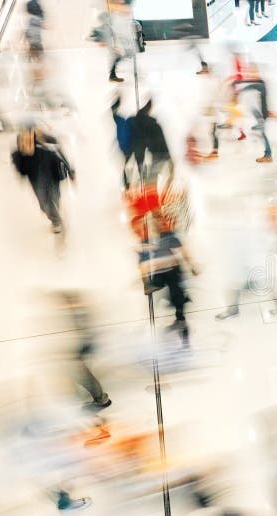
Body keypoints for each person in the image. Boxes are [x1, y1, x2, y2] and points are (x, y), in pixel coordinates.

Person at [139, 212, 200, 347]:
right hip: (159, 275)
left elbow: (184, 252)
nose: (158, 225)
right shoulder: (146, 241)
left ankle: (182, 330)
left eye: (159, 222)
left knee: (178, 301)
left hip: (173, 272)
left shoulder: (168, 236)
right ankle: (154, 329)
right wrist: (146, 283)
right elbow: (142, 264)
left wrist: (192, 267)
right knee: (159, 300)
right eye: (154, 222)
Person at [12, 126, 74, 234]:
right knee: (44, 203)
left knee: (55, 196)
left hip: (53, 176)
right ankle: (56, 221)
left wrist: (70, 171)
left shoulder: (48, 141)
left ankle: (55, 213)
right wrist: (22, 158)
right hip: (36, 179)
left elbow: (60, 155)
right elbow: (19, 165)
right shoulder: (20, 146)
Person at [131, 100, 173, 189]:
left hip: (158, 153)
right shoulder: (152, 123)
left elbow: (140, 147)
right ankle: (167, 193)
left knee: (153, 178)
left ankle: (155, 195)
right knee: (169, 172)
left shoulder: (141, 127)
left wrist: (140, 164)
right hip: (163, 152)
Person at [111, 98, 134, 189]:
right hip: (125, 146)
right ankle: (126, 184)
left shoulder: (120, 120)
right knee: (124, 166)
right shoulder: (121, 120)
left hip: (125, 146)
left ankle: (126, 184)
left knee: (124, 166)